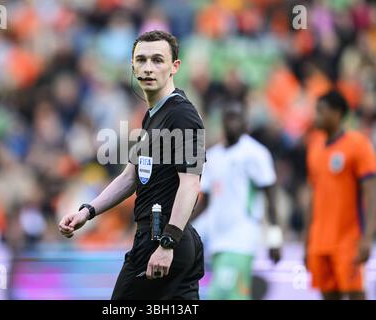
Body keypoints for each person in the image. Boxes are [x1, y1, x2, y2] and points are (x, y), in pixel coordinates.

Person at [58, 30, 206, 300]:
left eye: (158, 60)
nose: (148, 67)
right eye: (142, 60)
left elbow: (191, 183)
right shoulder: (153, 117)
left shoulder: (182, 115)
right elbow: (130, 177)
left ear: (175, 67)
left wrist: (167, 243)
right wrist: (87, 212)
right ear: (132, 66)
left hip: (164, 239)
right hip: (159, 239)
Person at [191, 102, 282, 300]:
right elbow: (206, 201)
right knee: (233, 295)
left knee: (220, 294)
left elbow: (271, 197)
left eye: (237, 117)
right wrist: (183, 226)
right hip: (218, 240)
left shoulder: (255, 154)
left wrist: (274, 239)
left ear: (246, 123)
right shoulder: (213, 157)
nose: (233, 122)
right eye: (229, 117)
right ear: (222, 122)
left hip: (242, 237)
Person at [304, 90, 376, 300]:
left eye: (320, 111)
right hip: (320, 240)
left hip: (348, 239)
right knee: (328, 297)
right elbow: (312, 197)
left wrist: (368, 237)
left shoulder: (358, 144)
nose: (315, 116)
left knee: (355, 295)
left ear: (336, 114)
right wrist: (306, 240)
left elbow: (371, 192)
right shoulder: (315, 148)